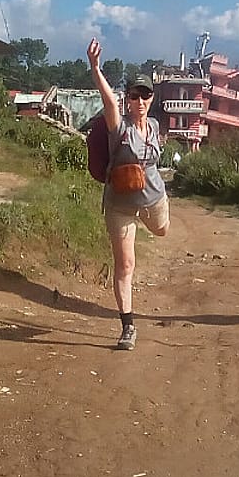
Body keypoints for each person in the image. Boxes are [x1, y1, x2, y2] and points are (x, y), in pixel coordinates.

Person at [86, 38, 169, 351]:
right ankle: (128, 327)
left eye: (145, 95)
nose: (140, 101)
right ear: (128, 99)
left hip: (153, 200)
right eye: (135, 95)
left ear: (151, 98)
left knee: (162, 231)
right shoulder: (119, 127)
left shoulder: (155, 126)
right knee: (126, 266)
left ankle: (156, 215)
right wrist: (95, 68)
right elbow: (108, 101)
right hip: (120, 206)